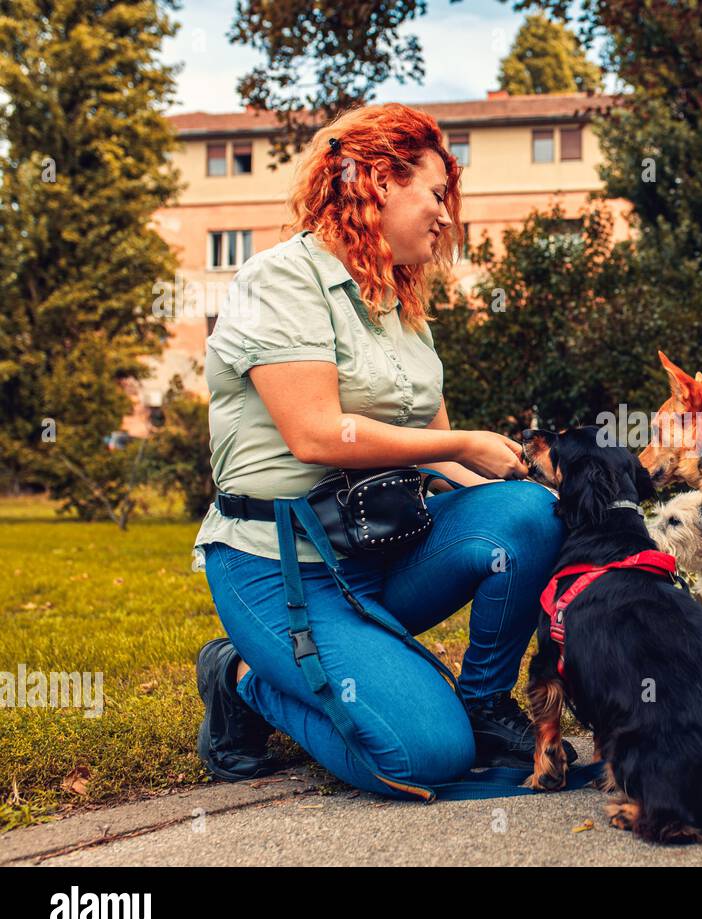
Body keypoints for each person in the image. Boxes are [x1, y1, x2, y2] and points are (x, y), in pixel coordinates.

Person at [191, 102, 574, 794]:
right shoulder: (281, 280)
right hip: (283, 569)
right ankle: (241, 677)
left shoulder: (399, 303)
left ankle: (483, 702)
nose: (446, 217)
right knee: (423, 755)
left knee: (530, 512)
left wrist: (544, 504)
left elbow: (437, 456)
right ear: (378, 181)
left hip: (380, 550)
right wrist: (465, 441)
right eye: (436, 195)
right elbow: (315, 432)